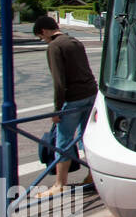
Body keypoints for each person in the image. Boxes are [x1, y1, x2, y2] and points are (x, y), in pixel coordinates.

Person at [33, 15, 97, 196]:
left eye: (40, 37)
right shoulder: (75, 41)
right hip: (90, 94)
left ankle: (59, 183)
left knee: (63, 141)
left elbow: (59, 82)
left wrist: (57, 109)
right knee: (87, 137)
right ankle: (92, 175)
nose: (42, 40)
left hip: (73, 99)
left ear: (44, 31)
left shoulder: (54, 47)